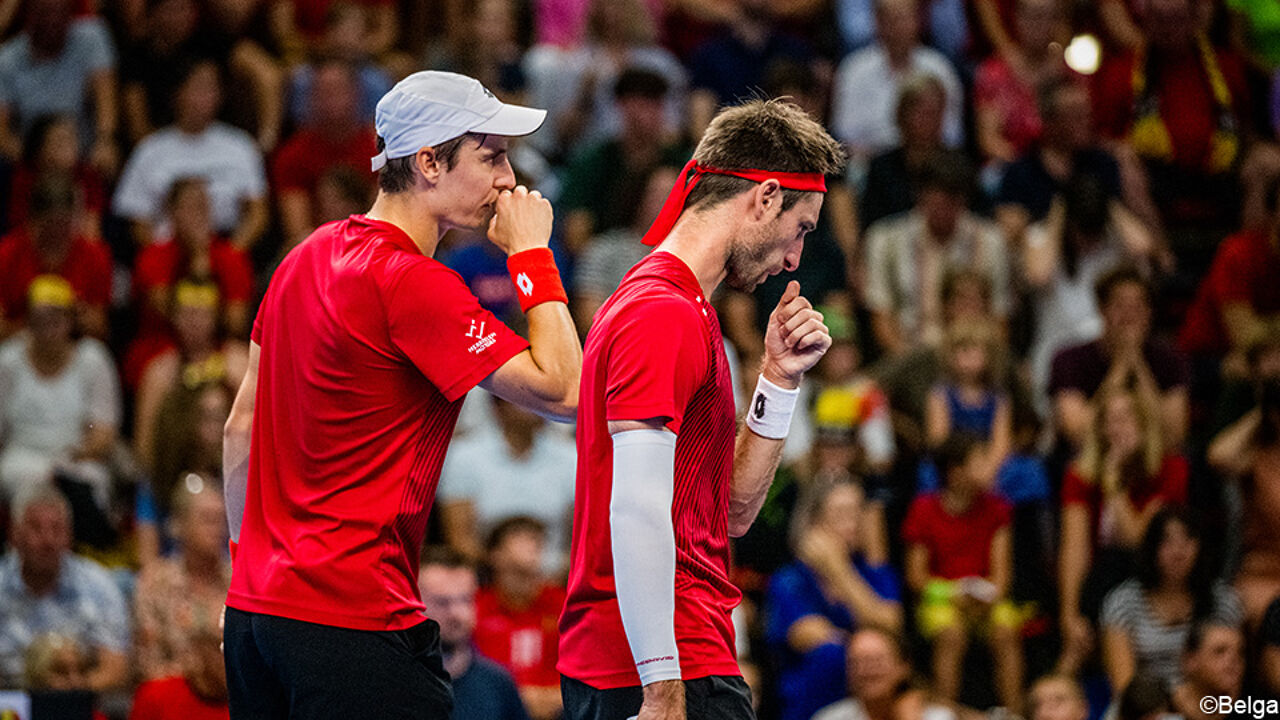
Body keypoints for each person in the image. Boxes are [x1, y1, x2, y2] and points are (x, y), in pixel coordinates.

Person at [221, 70, 581, 720]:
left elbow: (238, 430)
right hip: (354, 618)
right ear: (428, 162)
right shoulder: (414, 282)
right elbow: (566, 390)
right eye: (491, 156)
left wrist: (247, 572)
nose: (507, 179)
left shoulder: (304, 255)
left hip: (255, 618)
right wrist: (532, 254)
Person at [559, 98, 844, 720]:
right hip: (665, 668)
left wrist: (778, 379)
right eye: (801, 228)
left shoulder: (677, 308)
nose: (796, 257)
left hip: (667, 658)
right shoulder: (661, 312)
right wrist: (661, 687)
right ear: (765, 197)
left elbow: (733, 513)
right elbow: (635, 509)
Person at [1057, 384, 1189, 676]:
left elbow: (1139, 542)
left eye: (1127, 418)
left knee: (1118, 560)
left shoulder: (1171, 469)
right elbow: (1074, 549)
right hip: (1100, 584)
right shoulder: (1080, 475)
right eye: (1110, 420)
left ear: (1146, 424)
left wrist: (1115, 486)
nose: (1118, 428)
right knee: (1102, 582)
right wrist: (1069, 614)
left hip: (1154, 577)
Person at [902, 432, 1022, 712]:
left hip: (986, 600)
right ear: (955, 472)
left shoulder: (997, 509)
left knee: (1006, 632)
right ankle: (946, 712)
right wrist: (954, 593)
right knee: (951, 634)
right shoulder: (924, 509)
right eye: (980, 462)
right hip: (940, 600)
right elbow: (916, 577)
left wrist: (987, 596)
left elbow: (1002, 576)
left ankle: (1014, 713)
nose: (990, 467)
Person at [765, 477, 903, 720]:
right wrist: (869, 629)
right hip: (809, 700)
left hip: (873, 705)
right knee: (832, 656)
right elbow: (807, 635)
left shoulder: (876, 572)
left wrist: (839, 571)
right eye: (841, 514)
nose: (853, 523)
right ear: (814, 523)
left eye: (857, 512)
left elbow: (892, 628)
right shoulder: (790, 579)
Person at [0, 275, 120, 508]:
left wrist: (72, 458)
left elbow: (103, 432)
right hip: (21, 457)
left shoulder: (93, 359)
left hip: (76, 458)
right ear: (29, 322)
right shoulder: (8, 361)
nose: (49, 330)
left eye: (56, 321)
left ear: (70, 321)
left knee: (89, 482)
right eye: (41, 321)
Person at [1099, 507, 1243, 692]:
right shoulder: (1122, 602)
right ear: (1151, 548)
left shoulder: (1223, 601)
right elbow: (1124, 686)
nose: (1178, 551)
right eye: (1167, 541)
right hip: (1142, 707)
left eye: (1187, 540)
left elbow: (1233, 676)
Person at [0, 485, 129, 691]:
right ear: (14, 535)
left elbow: (115, 669)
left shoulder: (99, 586)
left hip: (78, 699)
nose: (48, 540)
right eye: (36, 528)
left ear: (69, 536)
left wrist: (68, 692)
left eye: (57, 529)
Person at [438, 394, 577, 569]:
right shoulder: (464, 456)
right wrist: (505, 569)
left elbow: (579, 538)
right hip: (487, 575)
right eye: (526, 399)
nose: (536, 407)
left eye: (542, 399)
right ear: (497, 406)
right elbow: (459, 538)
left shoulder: (571, 457)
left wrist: (551, 571)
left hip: (552, 575)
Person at [418, 547, 531, 720]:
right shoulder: (392, 685)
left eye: (465, 600)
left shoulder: (498, 685)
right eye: (442, 602)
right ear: (414, 606)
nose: (457, 613)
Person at [474, 517, 565, 720]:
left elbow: (583, 674)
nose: (532, 543)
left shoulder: (563, 605)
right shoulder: (475, 608)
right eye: (519, 535)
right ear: (494, 554)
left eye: (537, 539)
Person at [811, 627, 955, 720]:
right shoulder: (829, 717)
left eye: (876, 661)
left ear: (903, 666)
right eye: (856, 662)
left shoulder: (937, 717)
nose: (866, 671)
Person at [1169, 622, 1246, 720]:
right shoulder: (1162, 710)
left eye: (1241, 652)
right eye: (1220, 651)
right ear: (1191, 660)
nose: (1233, 660)